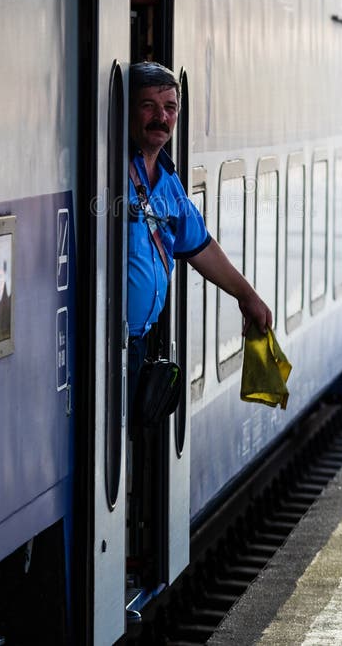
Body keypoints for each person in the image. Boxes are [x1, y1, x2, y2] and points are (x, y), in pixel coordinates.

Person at [127, 61, 272, 424]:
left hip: (138, 345)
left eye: (170, 108)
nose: (161, 117)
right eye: (149, 106)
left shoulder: (167, 179)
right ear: (127, 109)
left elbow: (200, 246)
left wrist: (246, 296)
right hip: (105, 347)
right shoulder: (111, 171)